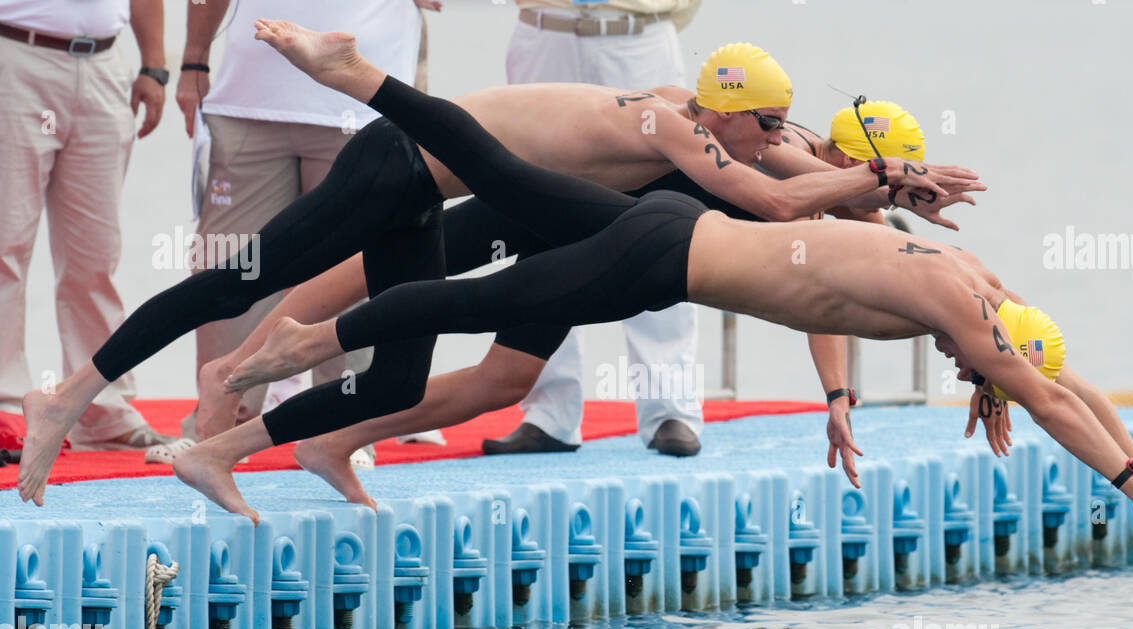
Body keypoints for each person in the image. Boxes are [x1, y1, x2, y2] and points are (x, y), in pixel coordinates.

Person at [173, 21, 1133, 566]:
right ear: (992, 343)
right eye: (980, 367)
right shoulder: (960, 305)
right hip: (660, 252)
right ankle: (290, 333)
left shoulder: (963, 280)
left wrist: (838, 400)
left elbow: (1057, 376)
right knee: (464, 271)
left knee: (496, 276)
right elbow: (1047, 393)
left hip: (669, 235)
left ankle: (301, 406)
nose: (968, 368)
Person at [15, 25, 981, 507]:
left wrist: (888, 191)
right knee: (244, 279)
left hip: (448, 196)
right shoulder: (670, 121)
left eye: (781, 127)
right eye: (763, 126)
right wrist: (889, 179)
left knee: (394, 371)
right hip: (397, 159)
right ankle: (78, 395)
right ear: (726, 111)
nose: (773, 138)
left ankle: (238, 447)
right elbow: (781, 199)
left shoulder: (737, 127)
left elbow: (816, 213)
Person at [157, 0, 427, 466]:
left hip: (357, 101)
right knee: (229, 264)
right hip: (249, 98)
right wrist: (194, 59)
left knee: (351, 271)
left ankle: (345, 427)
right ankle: (219, 423)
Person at [491, 0, 705, 457]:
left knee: (661, 207)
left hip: (638, 33)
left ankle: (670, 407)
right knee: (536, 205)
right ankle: (549, 411)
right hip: (543, 30)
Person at [0, 0, 175, 451]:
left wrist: (154, 66)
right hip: (16, 53)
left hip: (104, 63)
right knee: (5, 247)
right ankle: (5, 412)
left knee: (95, 257)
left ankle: (102, 411)